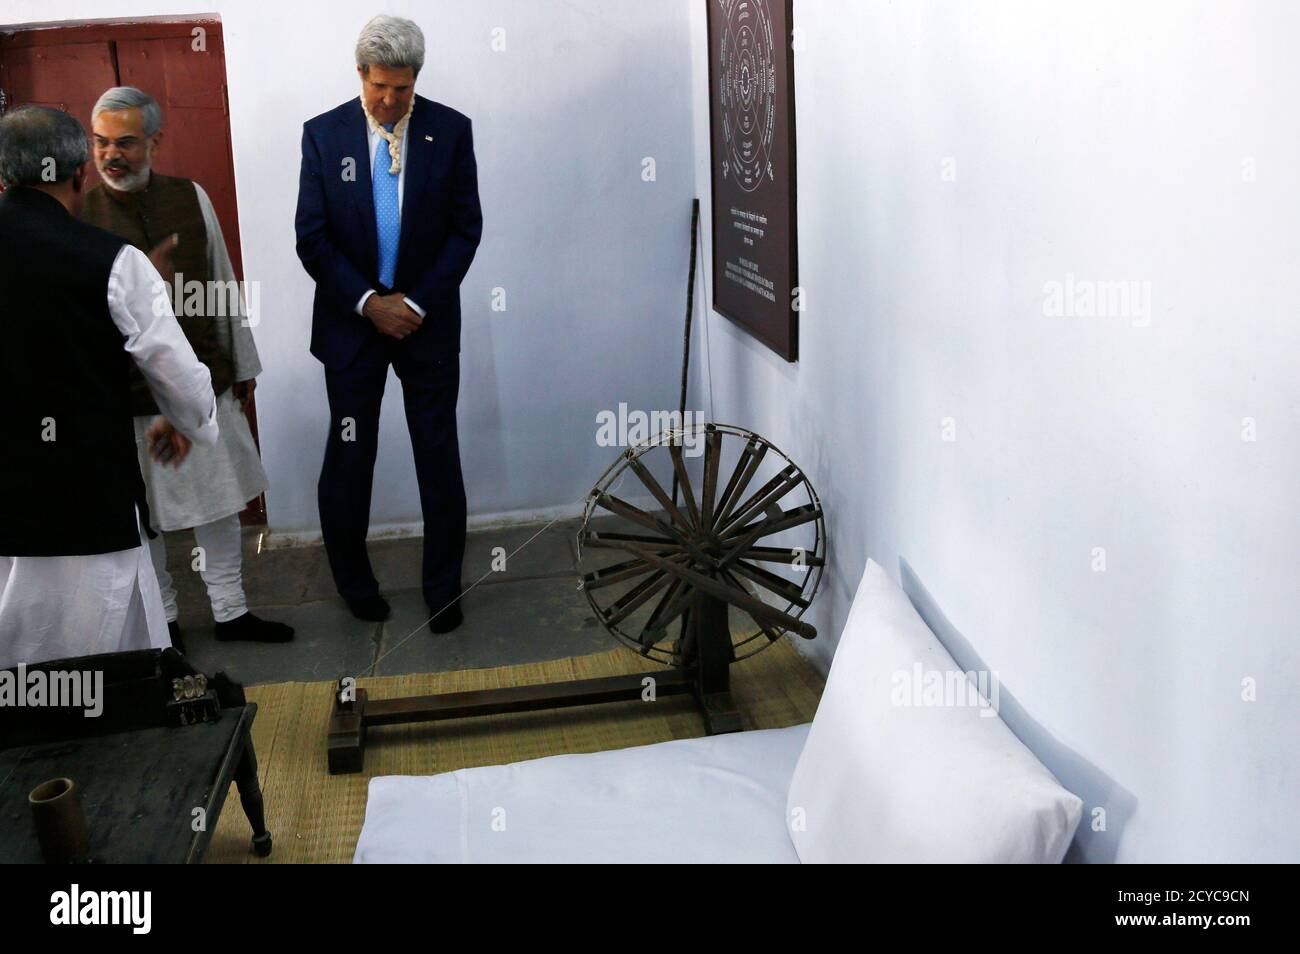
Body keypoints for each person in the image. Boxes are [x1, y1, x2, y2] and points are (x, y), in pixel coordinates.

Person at [0, 106, 217, 669]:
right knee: (112, 670)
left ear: (2, 177)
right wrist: (197, 422)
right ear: (79, 175)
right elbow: (176, 372)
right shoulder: (115, 263)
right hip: (88, 496)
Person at [80, 86, 292, 649]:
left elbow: (221, 284)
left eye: (125, 142)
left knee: (218, 503)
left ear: (153, 140)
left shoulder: (190, 197)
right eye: (100, 142)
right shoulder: (80, 213)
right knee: (142, 517)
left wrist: (242, 362)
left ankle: (231, 611)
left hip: (201, 383)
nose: (111, 155)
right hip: (124, 399)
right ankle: (163, 622)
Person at [296, 15, 482, 633]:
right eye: (379, 86)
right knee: (351, 457)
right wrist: (370, 303)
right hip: (352, 332)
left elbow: (465, 231)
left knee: (439, 457)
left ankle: (442, 590)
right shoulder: (322, 137)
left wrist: (416, 305)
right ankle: (355, 585)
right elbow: (313, 240)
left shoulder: (451, 132)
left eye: (401, 89)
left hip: (425, 329)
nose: (388, 101)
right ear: (360, 74)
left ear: (415, 79)